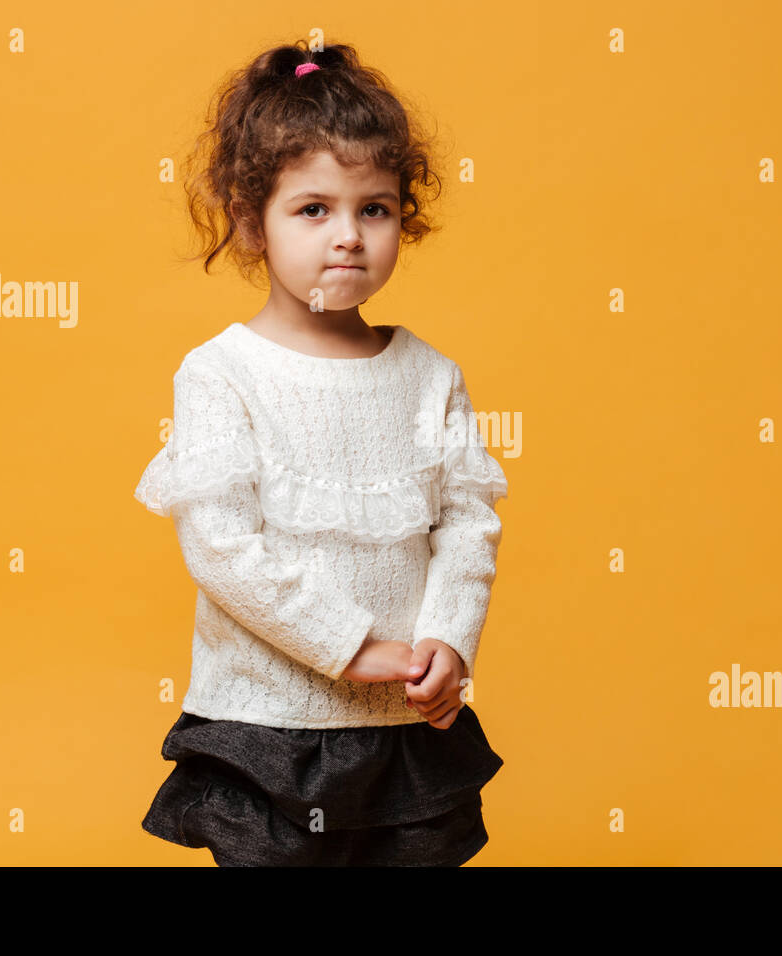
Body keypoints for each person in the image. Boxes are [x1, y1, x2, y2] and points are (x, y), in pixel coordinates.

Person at [133, 41, 508, 866]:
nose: (348, 236)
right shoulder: (221, 374)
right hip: (269, 725)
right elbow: (223, 547)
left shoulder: (429, 377)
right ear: (248, 219)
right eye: (314, 210)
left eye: (373, 208)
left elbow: (466, 523)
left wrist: (448, 638)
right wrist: (353, 646)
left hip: (405, 727)